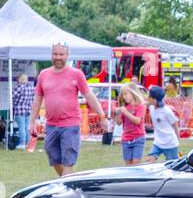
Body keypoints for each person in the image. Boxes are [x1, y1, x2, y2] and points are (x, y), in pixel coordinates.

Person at [30, 42, 110, 176]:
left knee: (68, 160)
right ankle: (68, 181)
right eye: (55, 54)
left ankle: (66, 187)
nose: (58, 57)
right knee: (53, 158)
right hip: (51, 125)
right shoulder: (43, 74)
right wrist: (32, 122)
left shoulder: (76, 74)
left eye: (61, 54)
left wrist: (102, 116)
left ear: (67, 55)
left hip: (70, 124)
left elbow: (89, 95)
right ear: (51, 55)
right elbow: (38, 99)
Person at [146, 85, 179, 161]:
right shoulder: (151, 106)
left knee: (172, 166)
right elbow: (142, 102)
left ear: (154, 99)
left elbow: (175, 123)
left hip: (170, 143)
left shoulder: (166, 111)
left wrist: (177, 138)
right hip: (158, 142)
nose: (147, 97)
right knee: (149, 161)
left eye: (149, 96)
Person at [117, 84, 148, 164]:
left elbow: (138, 121)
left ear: (133, 93)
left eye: (126, 94)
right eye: (123, 95)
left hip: (138, 138)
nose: (124, 97)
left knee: (135, 164)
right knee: (128, 165)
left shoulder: (140, 106)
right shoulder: (125, 107)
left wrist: (125, 112)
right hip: (126, 139)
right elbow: (118, 122)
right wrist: (118, 112)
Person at [12, 72, 35, 147]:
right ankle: (28, 143)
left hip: (19, 109)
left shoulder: (18, 87)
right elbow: (32, 99)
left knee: (21, 127)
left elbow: (12, 97)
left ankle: (22, 143)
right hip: (28, 109)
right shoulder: (31, 87)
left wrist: (15, 103)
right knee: (26, 127)